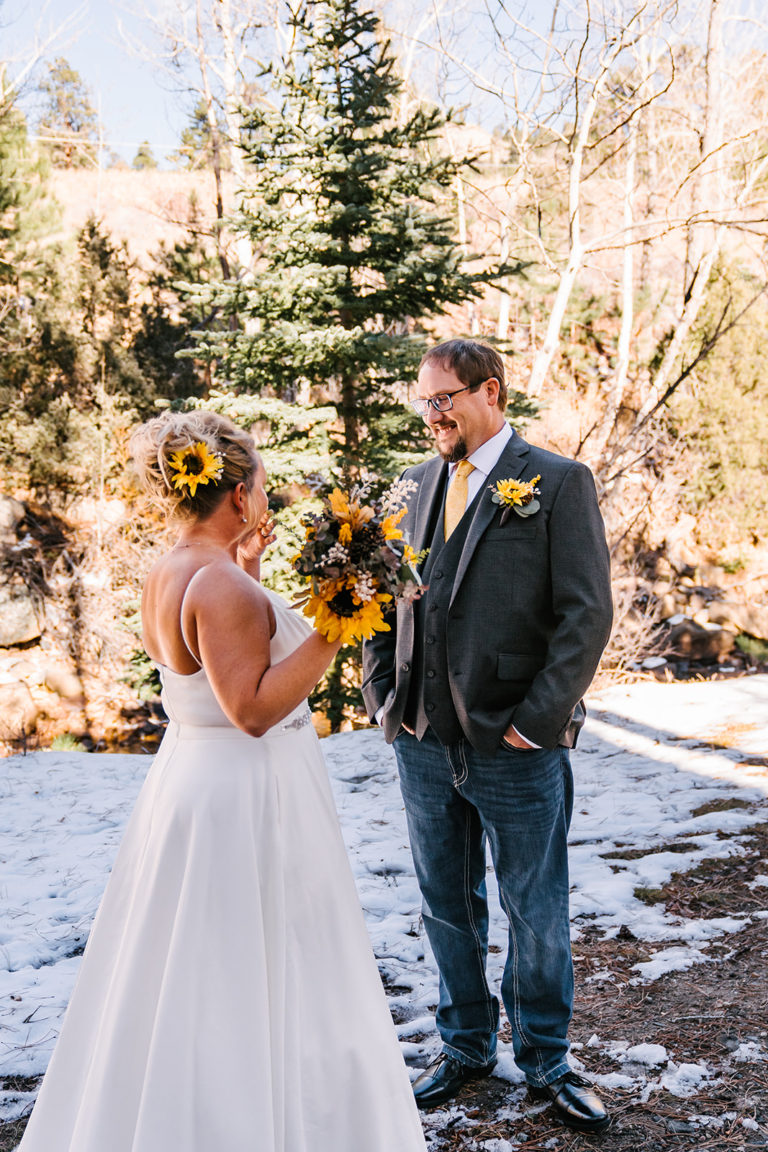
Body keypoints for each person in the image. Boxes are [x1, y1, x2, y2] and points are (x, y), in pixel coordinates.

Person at [17, 411, 427, 1152]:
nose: (266, 496)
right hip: (246, 793)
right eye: (262, 484)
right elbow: (253, 708)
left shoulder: (175, 568)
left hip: (192, 783)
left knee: (196, 961)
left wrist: (253, 576)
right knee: (253, 961)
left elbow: (216, 657)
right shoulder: (219, 585)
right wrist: (339, 625)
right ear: (238, 495)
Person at [362, 340, 614, 1134]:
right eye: (423, 403)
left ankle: (545, 1057)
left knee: (535, 908)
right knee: (446, 904)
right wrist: (381, 698)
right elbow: (375, 597)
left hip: (517, 744)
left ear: (490, 392)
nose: (431, 416)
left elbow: (586, 614)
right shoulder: (410, 486)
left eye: (443, 400)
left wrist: (537, 723)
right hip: (423, 741)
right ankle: (465, 1047)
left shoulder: (559, 482)